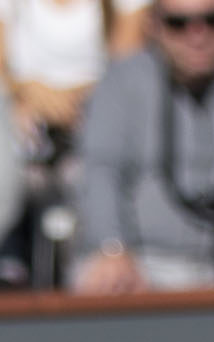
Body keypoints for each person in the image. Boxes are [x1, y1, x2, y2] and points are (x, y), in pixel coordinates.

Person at [71, 0, 214, 287]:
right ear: (153, 24)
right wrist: (111, 247)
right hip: (143, 263)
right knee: (97, 280)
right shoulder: (122, 82)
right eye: (178, 24)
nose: (198, 35)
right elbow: (100, 171)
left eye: (213, 21)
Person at [1, 0, 146, 279]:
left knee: (94, 174)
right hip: (23, 115)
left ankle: (97, 256)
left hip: (95, 112)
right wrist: (26, 94)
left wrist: (70, 100)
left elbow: (127, 63)